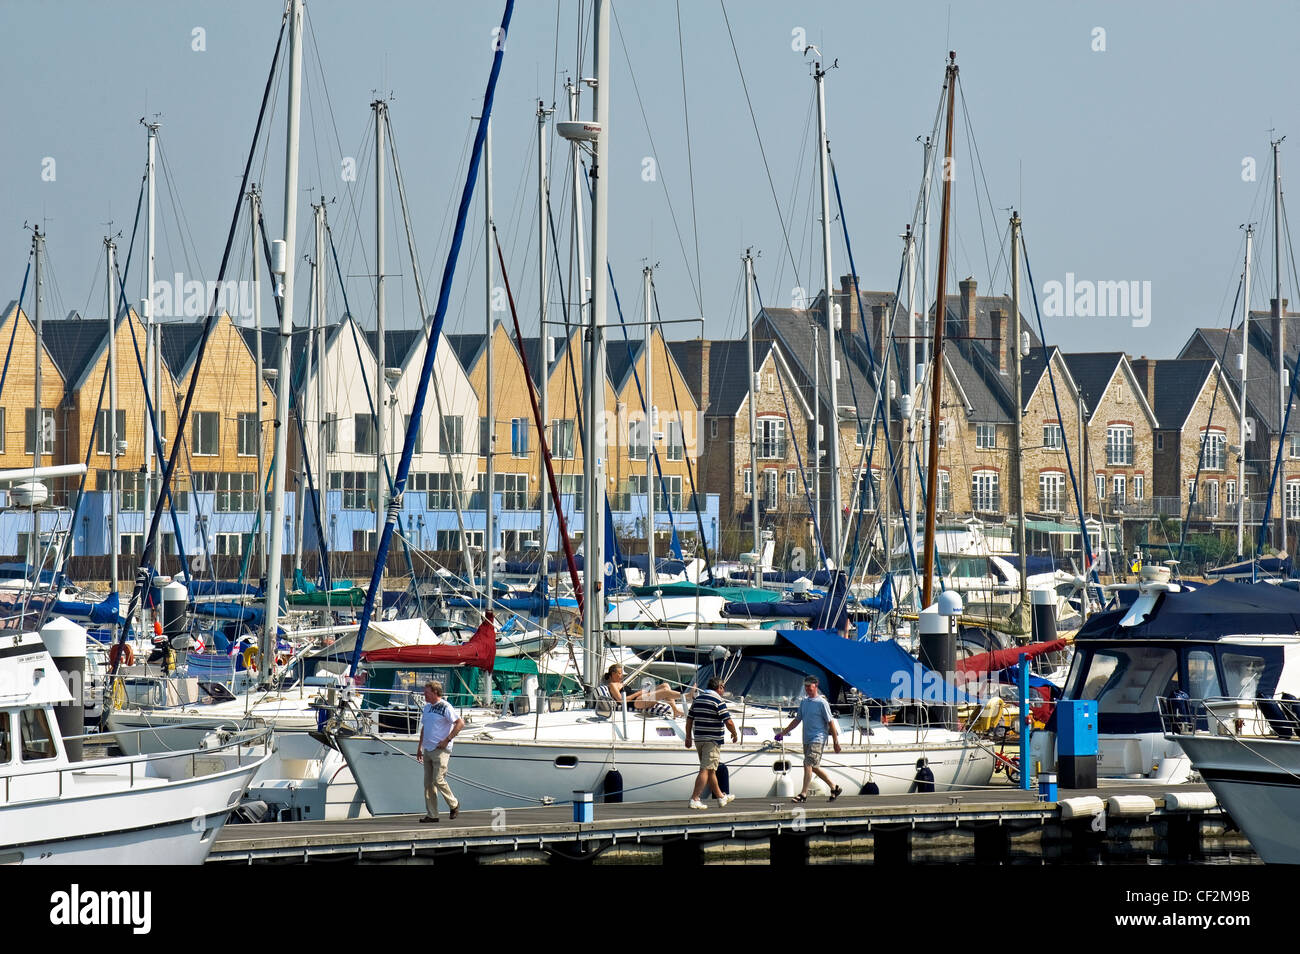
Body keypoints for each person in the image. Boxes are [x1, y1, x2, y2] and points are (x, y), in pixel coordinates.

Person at [776, 675, 843, 802]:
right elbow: (797, 720)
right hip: (806, 739)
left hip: (818, 738)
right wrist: (783, 732)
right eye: (805, 686)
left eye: (809, 686)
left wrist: (835, 742)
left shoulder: (822, 703)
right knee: (814, 767)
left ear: (816, 686)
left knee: (807, 763)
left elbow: (831, 723)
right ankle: (834, 787)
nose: (807, 689)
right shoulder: (804, 702)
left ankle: (803, 794)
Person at [685, 677, 739, 809]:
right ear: (719, 687)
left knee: (711, 771)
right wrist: (735, 733)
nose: (724, 690)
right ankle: (695, 798)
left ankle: (721, 797)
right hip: (712, 740)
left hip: (699, 739)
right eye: (723, 687)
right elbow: (729, 721)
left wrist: (688, 737)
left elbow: (689, 719)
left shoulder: (698, 699)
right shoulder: (717, 700)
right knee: (705, 770)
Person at [415, 681, 463, 823]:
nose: (424, 695)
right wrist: (420, 746)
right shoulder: (427, 707)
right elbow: (424, 728)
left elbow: (460, 723)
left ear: (435, 692)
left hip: (440, 750)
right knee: (428, 784)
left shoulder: (446, 707)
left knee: (438, 779)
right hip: (428, 749)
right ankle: (432, 814)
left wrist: (447, 740)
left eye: (427, 693)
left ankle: (454, 804)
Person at [597, 663, 682, 718]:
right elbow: (621, 700)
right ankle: (687, 695)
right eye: (619, 673)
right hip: (636, 702)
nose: (621, 675)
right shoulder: (612, 685)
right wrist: (638, 693)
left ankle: (675, 710)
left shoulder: (621, 684)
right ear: (613, 674)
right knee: (664, 692)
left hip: (640, 697)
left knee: (665, 685)